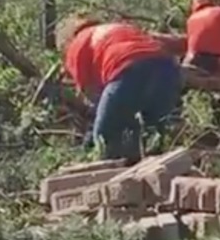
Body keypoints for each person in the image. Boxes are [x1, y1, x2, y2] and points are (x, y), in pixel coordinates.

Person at [57, 14, 184, 162]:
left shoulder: (77, 44)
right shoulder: (121, 27)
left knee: (104, 139)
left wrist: (95, 129)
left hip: (128, 70)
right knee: (153, 137)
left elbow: (92, 94)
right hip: (167, 69)